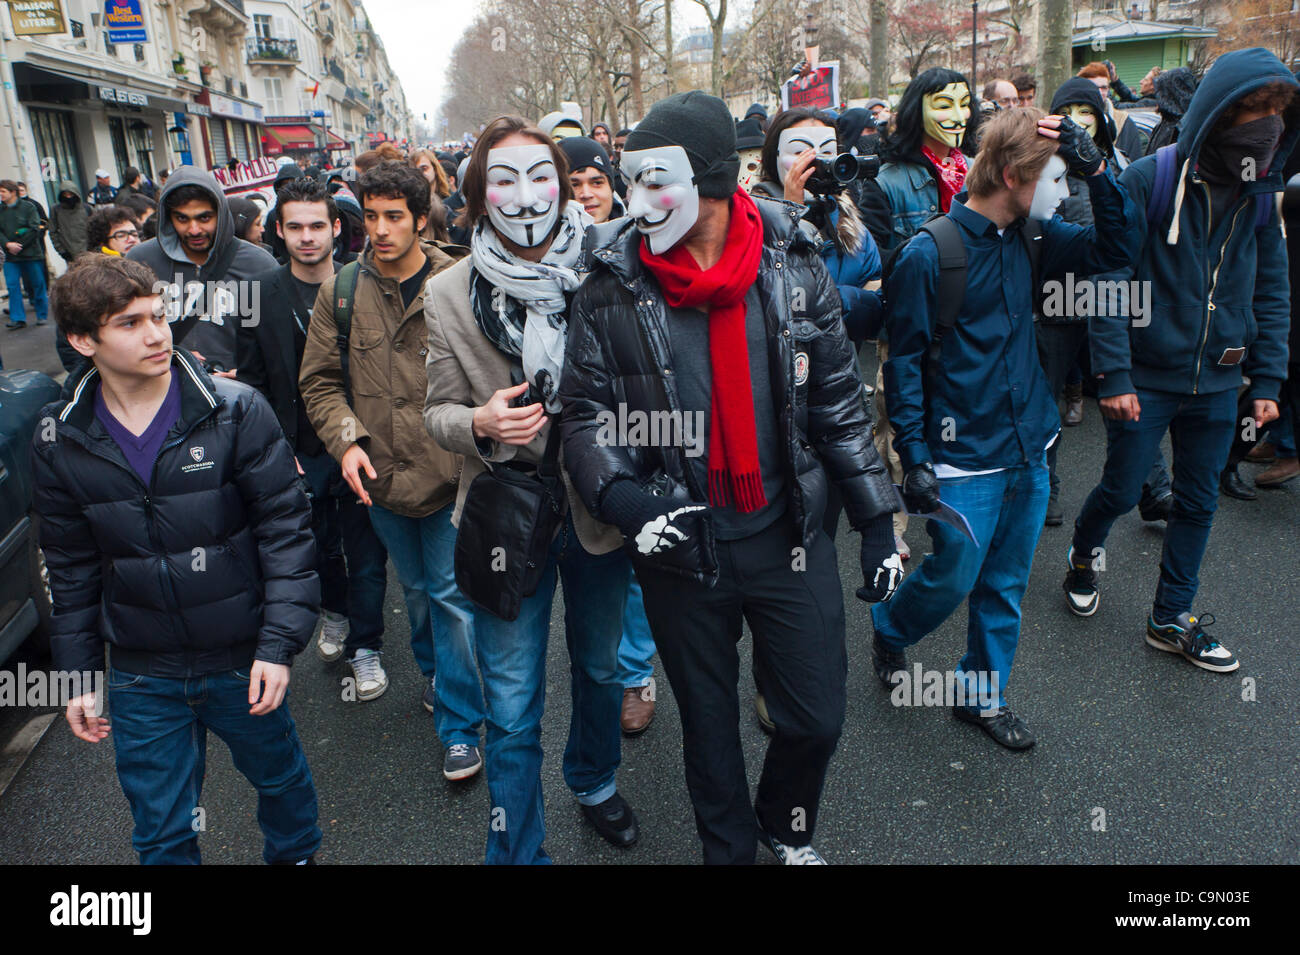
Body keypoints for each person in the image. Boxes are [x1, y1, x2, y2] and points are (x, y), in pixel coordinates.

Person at [560, 91, 901, 864]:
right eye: (630, 180)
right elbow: (582, 416)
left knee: (814, 716)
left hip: (789, 534)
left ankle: (784, 823)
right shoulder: (612, 281)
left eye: (653, 180)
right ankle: (729, 850)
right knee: (709, 731)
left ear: (712, 181)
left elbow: (841, 407)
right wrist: (626, 499)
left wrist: (878, 520)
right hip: (682, 548)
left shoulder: (793, 264)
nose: (633, 199)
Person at [35, 253, 322, 865]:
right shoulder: (58, 438)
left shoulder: (235, 409)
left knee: (280, 782)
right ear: (83, 340)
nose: (157, 334)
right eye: (131, 323)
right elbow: (70, 567)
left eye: (160, 316)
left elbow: (286, 531)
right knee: (161, 832)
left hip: (240, 657)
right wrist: (79, 676)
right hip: (143, 674)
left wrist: (277, 646)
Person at [879, 108, 1136, 750]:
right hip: (961, 455)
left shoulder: (1036, 239)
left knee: (1007, 583)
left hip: (1031, 445)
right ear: (1010, 173)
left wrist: (1097, 169)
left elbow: (1117, 250)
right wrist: (913, 454)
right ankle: (890, 627)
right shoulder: (927, 253)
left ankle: (980, 696)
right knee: (953, 576)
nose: (1059, 189)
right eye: (1050, 176)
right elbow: (903, 363)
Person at [424, 116, 640, 862]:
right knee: (511, 704)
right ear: (479, 196)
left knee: (602, 664)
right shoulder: (449, 293)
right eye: (504, 180)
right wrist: (479, 423)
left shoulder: (612, 263)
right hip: (503, 515)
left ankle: (594, 777)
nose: (526, 195)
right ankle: (518, 847)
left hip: (597, 510)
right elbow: (435, 412)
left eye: (540, 175)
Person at [1067, 49, 1297, 672]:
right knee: (1120, 488)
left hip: (1220, 382)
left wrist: (1268, 377)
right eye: (1255, 109)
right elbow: (1108, 274)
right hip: (1143, 378)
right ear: (1218, 113)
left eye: (1278, 111)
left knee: (1197, 503)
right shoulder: (1149, 179)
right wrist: (1112, 372)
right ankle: (1084, 552)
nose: (1268, 124)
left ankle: (1170, 618)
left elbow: (1272, 290)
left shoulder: (1259, 196)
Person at [299, 161, 488, 780]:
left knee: (453, 596)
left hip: (455, 475)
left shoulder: (459, 279)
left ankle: (460, 726)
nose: (379, 229)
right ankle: (435, 674)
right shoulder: (342, 291)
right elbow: (320, 382)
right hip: (380, 480)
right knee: (418, 593)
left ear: (419, 216)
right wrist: (347, 441)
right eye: (370, 216)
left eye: (393, 217)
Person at [237, 176, 390, 700]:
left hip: (362, 440)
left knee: (367, 551)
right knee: (319, 549)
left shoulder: (361, 284)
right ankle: (336, 614)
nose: (307, 237)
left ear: (336, 228)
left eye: (317, 226)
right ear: (278, 231)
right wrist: (277, 450)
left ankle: (366, 647)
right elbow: (254, 383)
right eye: (295, 227)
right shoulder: (257, 296)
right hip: (299, 450)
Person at [859, 68, 980, 558]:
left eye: (963, 103)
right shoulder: (888, 180)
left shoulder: (976, 169)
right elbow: (876, 259)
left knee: (953, 415)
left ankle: (950, 511)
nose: (957, 115)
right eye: (943, 104)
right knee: (895, 417)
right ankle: (891, 522)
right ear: (917, 109)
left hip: (967, 321)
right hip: (910, 323)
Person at [1036, 76, 1132, 526]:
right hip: (1055, 299)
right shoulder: (1046, 166)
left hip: (1111, 293)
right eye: (1068, 113)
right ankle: (1048, 488)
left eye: (1088, 113)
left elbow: (1124, 238)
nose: (1078, 123)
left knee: (1127, 391)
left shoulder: (1116, 166)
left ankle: (1147, 485)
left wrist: (1098, 171)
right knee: (1046, 401)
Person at [127, 166, 277, 376]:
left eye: (204, 218)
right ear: (169, 218)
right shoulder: (139, 261)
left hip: (240, 397)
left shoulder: (259, 264)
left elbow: (278, 344)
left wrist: (249, 373)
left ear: (221, 214)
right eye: (182, 219)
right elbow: (122, 330)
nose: (194, 229)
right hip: (162, 391)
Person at [0, 179, 48, 329]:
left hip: (31, 254)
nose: (0, 194)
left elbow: (35, 228)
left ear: (12, 192)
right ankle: (17, 318)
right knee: (13, 286)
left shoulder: (28, 207)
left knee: (37, 284)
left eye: (3, 191)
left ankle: (41, 315)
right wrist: (8, 244)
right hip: (10, 256)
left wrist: (19, 245)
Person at [557, 136, 624, 223]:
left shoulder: (636, 234)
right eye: (574, 185)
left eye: (597, 183)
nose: (586, 194)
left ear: (611, 188)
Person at [50, 181, 89, 263]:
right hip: (69, 254)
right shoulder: (56, 210)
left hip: (89, 252)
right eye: (65, 195)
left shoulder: (87, 209)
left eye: (71, 194)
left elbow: (95, 229)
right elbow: (53, 232)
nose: (68, 197)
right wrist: (61, 251)